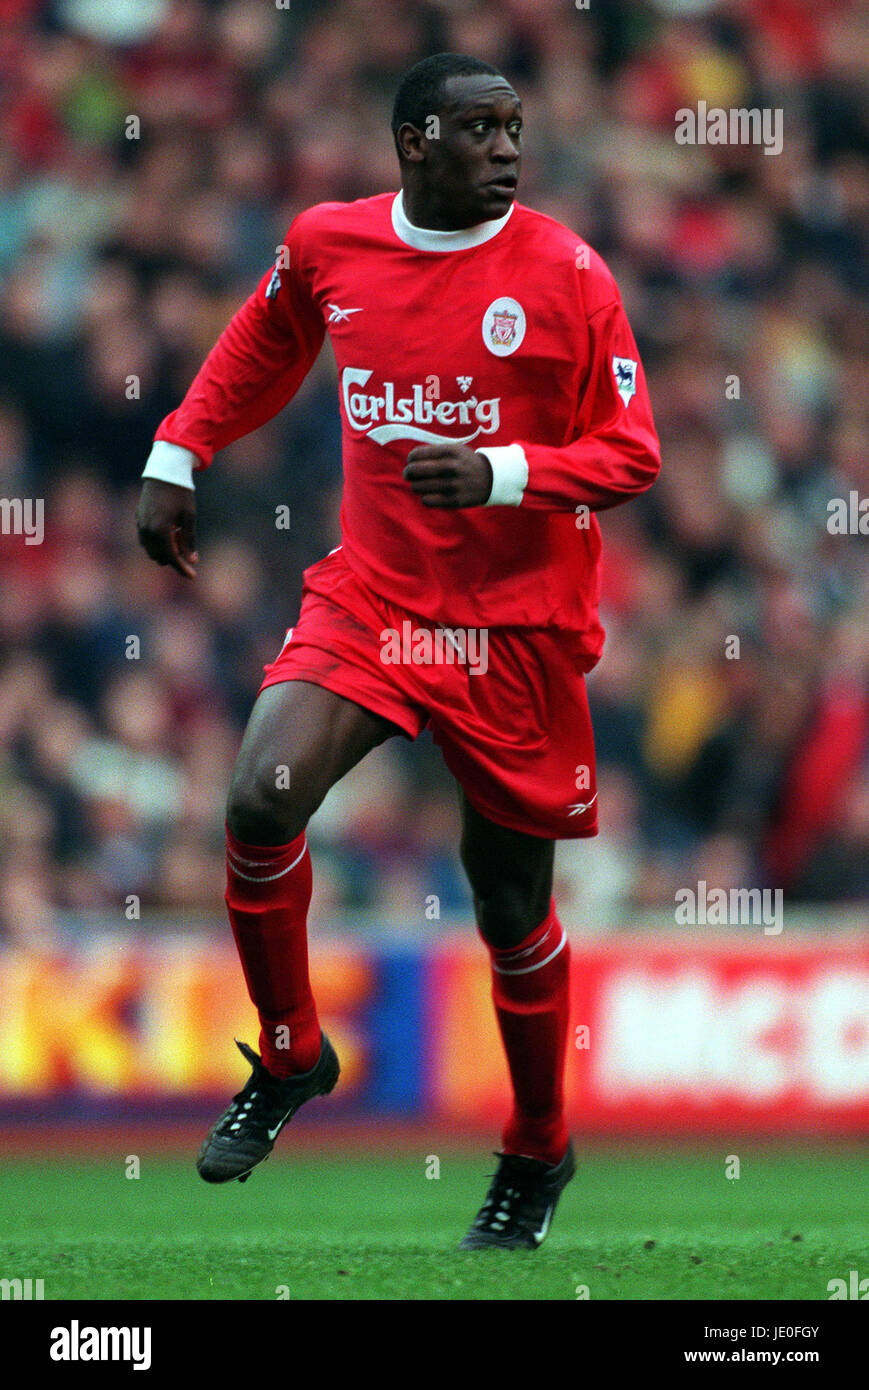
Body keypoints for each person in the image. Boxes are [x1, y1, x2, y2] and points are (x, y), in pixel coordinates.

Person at [136, 52, 660, 1250]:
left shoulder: (568, 274)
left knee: (508, 900)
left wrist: (504, 474)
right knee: (260, 797)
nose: (508, 149)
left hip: (514, 628)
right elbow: (265, 343)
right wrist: (179, 452)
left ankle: (535, 1148)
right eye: (480, 128)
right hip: (373, 602)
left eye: (517, 127)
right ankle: (291, 1053)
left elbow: (634, 452)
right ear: (412, 142)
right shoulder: (329, 244)